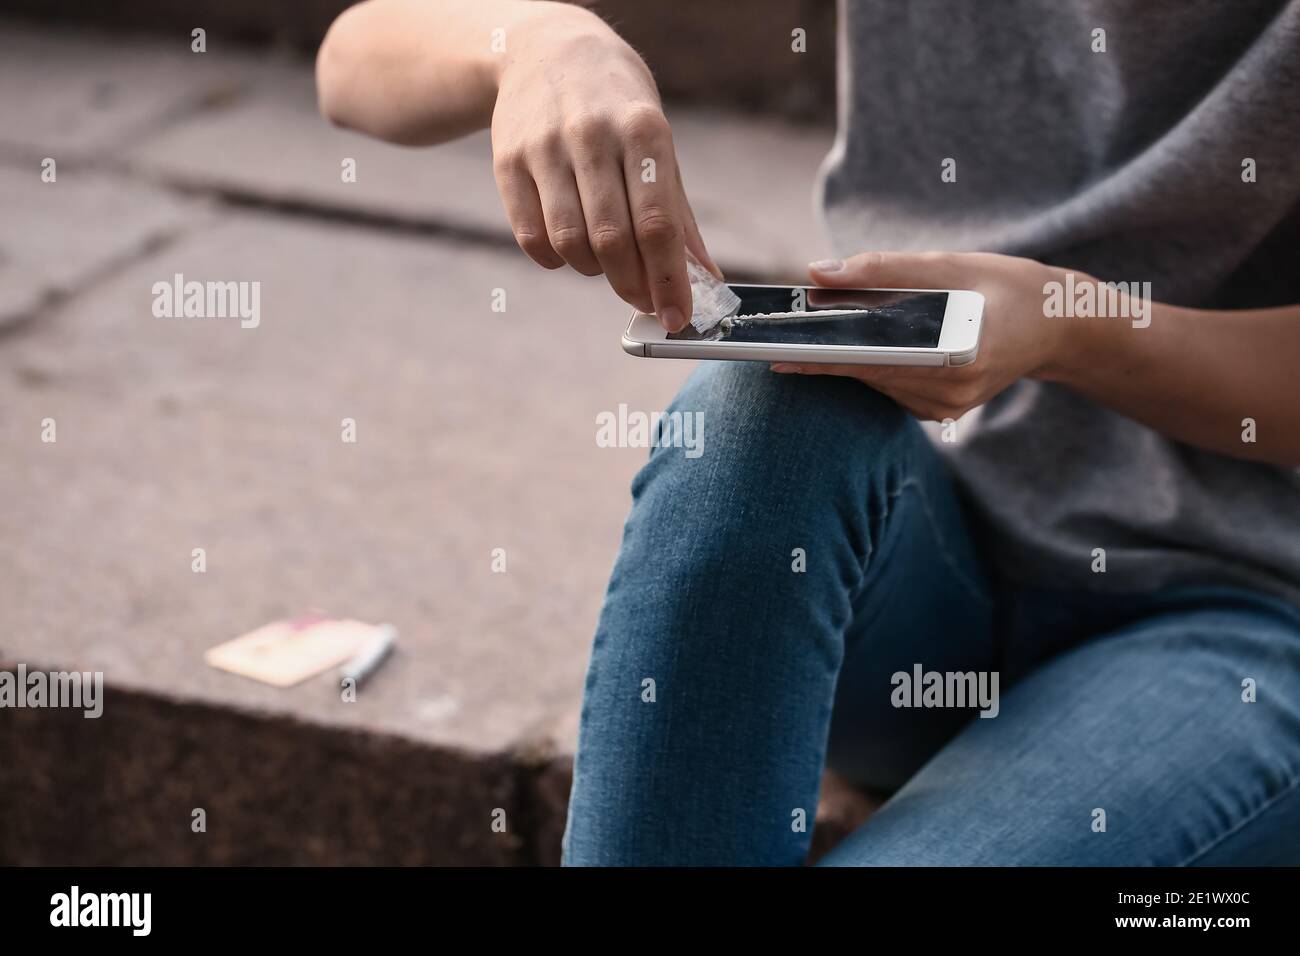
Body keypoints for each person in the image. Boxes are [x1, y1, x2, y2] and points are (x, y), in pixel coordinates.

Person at [317, 0, 1300, 865]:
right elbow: (352, 58)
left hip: (1237, 611)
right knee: (755, 410)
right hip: (916, 565)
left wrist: (1066, 324)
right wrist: (534, 39)